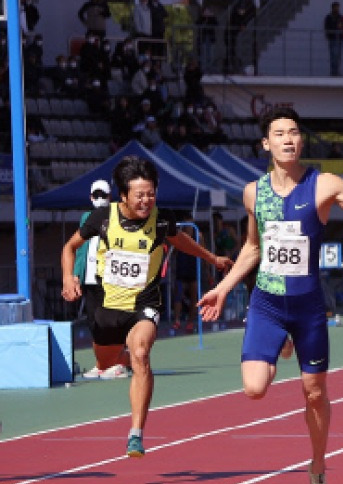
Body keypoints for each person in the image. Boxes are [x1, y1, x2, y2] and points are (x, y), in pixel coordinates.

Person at [198, 106, 343, 484]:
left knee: (314, 393)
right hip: (267, 303)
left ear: (301, 140)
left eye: (294, 132)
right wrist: (222, 289)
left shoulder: (323, 185)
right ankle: (281, 342)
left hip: (308, 306)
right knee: (254, 388)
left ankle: (318, 466)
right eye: (279, 134)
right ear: (266, 143)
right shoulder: (253, 192)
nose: (288, 139)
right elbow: (252, 248)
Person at [61, 157, 233, 457]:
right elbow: (70, 247)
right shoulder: (103, 217)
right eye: (139, 195)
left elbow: (181, 241)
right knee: (105, 363)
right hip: (107, 306)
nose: (146, 201)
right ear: (123, 195)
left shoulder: (161, 219)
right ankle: (124, 358)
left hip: (144, 303)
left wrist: (212, 259)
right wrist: (68, 276)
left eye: (151, 194)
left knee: (141, 353)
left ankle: (136, 434)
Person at [73, 180, 131, 379]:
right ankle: (102, 364)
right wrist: (76, 275)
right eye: (96, 195)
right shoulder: (85, 218)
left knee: (112, 321)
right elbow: (80, 248)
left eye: (103, 195)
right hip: (90, 278)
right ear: (91, 197)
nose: (99, 199)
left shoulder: (117, 216)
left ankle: (120, 363)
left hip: (109, 278)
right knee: (93, 323)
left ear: (110, 197)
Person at [324, 2, 343, 76]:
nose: (337, 9)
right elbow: (326, 27)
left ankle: (337, 72)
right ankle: (333, 72)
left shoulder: (341, 17)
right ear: (332, 8)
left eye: (338, 7)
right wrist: (329, 34)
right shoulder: (329, 17)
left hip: (339, 39)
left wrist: (341, 29)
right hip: (332, 39)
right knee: (333, 56)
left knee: (338, 56)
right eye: (335, 7)